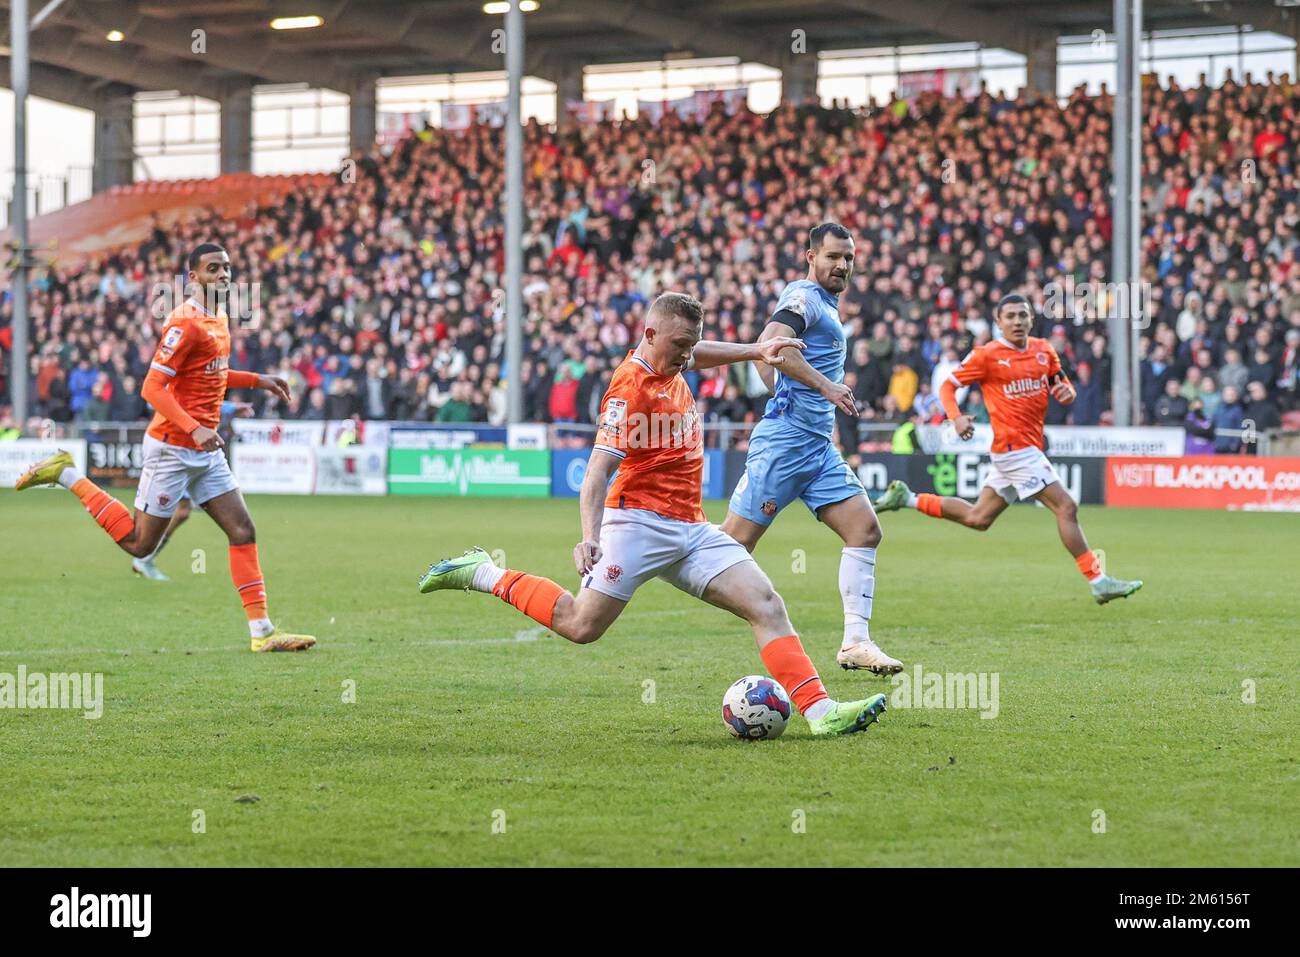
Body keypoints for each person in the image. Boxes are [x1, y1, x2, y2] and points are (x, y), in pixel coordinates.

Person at [418, 292, 888, 737]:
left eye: (690, 345)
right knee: (582, 625)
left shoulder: (675, 355)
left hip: (691, 527)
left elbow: (699, 352)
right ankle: (482, 572)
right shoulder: (629, 390)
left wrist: (756, 351)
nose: (687, 357)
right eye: (680, 346)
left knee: (765, 604)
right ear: (649, 335)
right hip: (636, 524)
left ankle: (822, 713)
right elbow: (598, 471)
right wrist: (589, 535)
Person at [14, 243, 316, 651]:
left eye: (227, 267)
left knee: (242, 529)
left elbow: (213, 374)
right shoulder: (184, 322)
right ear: (193, 278)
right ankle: (66, 472)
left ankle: (262, 633)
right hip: (173, 447)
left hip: (205, 450)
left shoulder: (219, 317)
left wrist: (257, 379)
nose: (224, 275)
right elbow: (152, 388)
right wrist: (193, 428)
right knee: (141, 544)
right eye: (213, 269)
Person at [874, 294, 1142, 605]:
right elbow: (948, 386)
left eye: (1022, 315)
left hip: (1018, 450)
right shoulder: (986, 355)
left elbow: (1061, 384)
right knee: (1066, 507)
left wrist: (1066, 393)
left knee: (979, 518)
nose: (1017, 321)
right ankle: (1098, 580)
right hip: (1016, 449)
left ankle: (906, 498)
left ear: (1031, 319)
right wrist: (956, 418)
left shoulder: (1044, 351)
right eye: (1010, 316)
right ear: (998, 322)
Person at [720, 223, 902, 675]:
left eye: (848, 258)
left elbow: (772, 356)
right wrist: (825, 388)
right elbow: (770, 347)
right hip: (785, 446)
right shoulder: (802, 296)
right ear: (810, 257)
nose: (841, 265)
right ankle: (646, 555)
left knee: (865, 530)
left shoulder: (827, 305)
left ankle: (855, 643)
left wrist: (781, 390)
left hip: (818, 448)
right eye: (832, 257)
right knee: (729, 548)